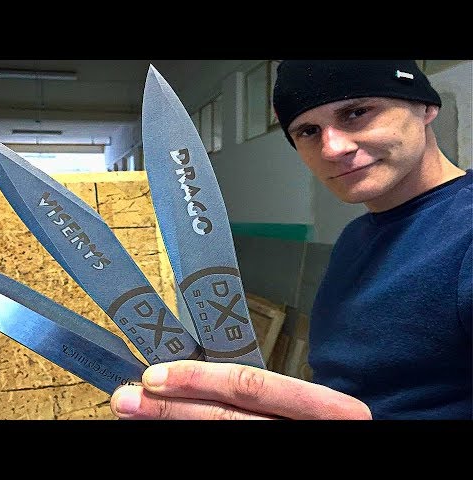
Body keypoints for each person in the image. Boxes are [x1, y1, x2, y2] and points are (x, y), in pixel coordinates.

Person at [109, 60, 472, 420]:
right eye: (308, 131)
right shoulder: (356, 237)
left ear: (425, 106)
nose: (332, 148)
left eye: (356, 113)